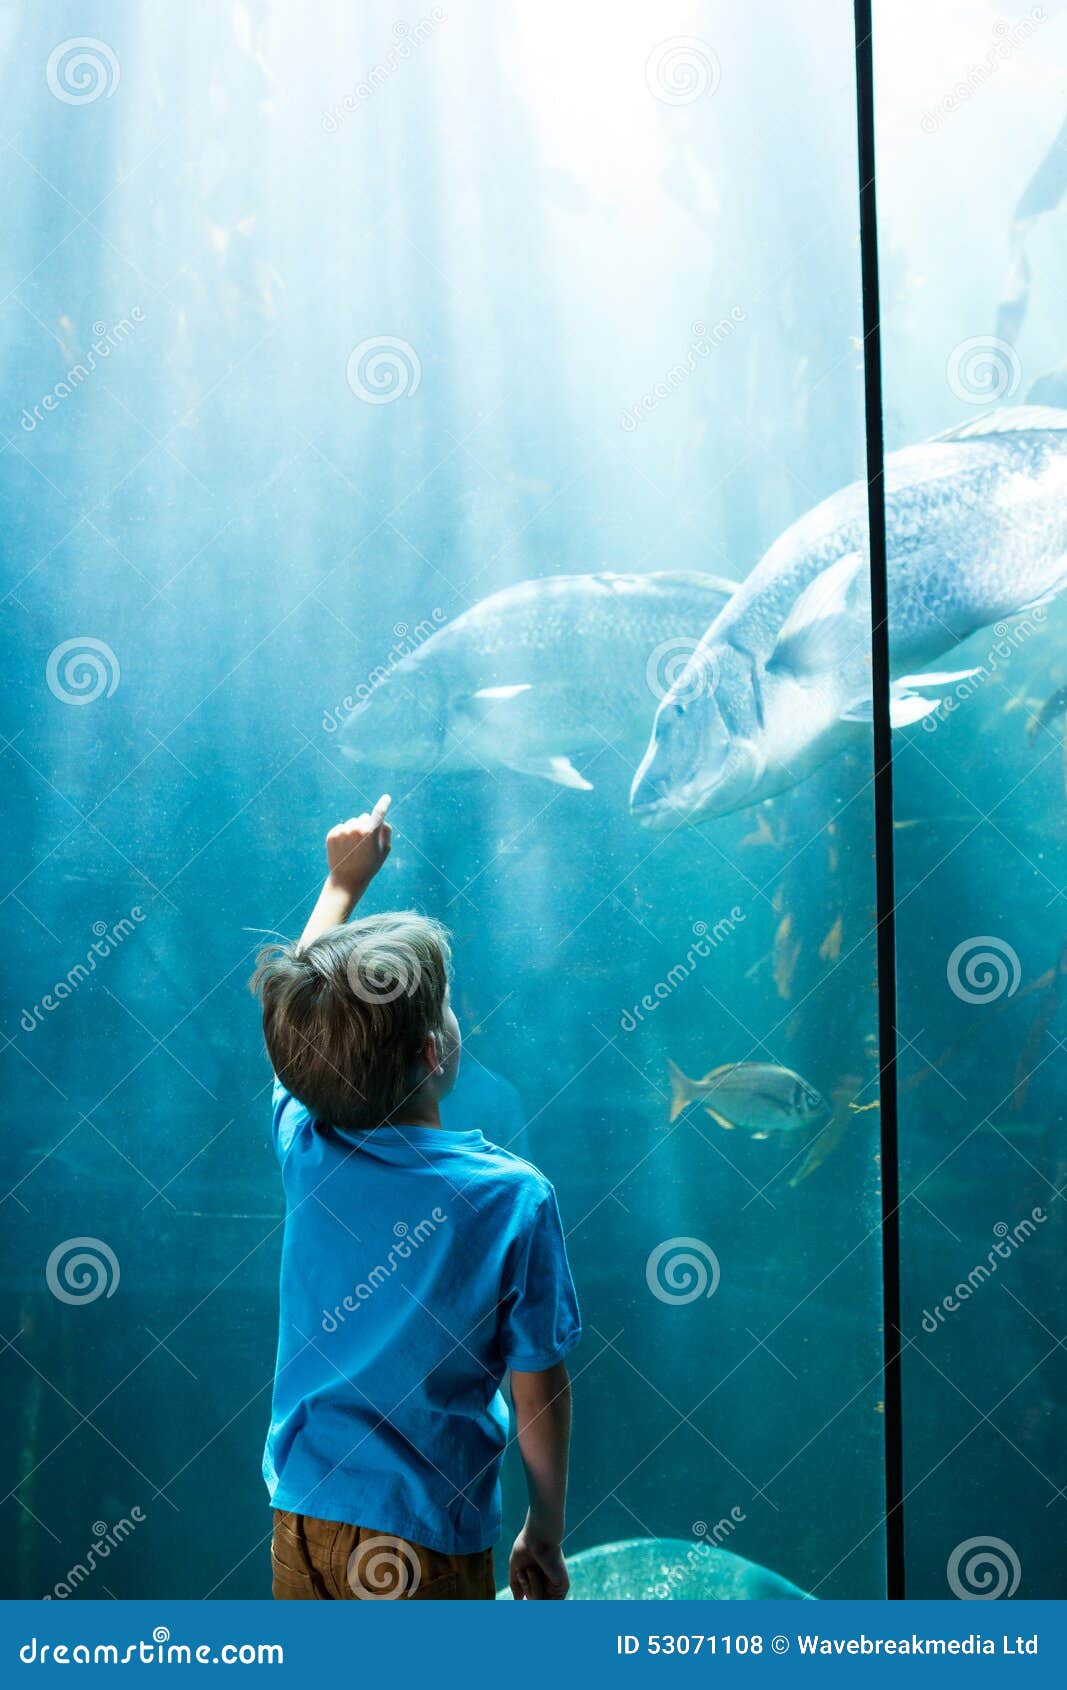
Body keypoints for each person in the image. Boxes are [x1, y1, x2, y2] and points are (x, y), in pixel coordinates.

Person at [251, 796, 580, 1601]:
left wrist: (340, 885)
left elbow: (300, 1038)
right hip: (425, 1536)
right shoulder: (511, 1199)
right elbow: (535, 1387)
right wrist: (545, 1526)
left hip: (300, 1517)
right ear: (435, 1050)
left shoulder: (309, 1145)